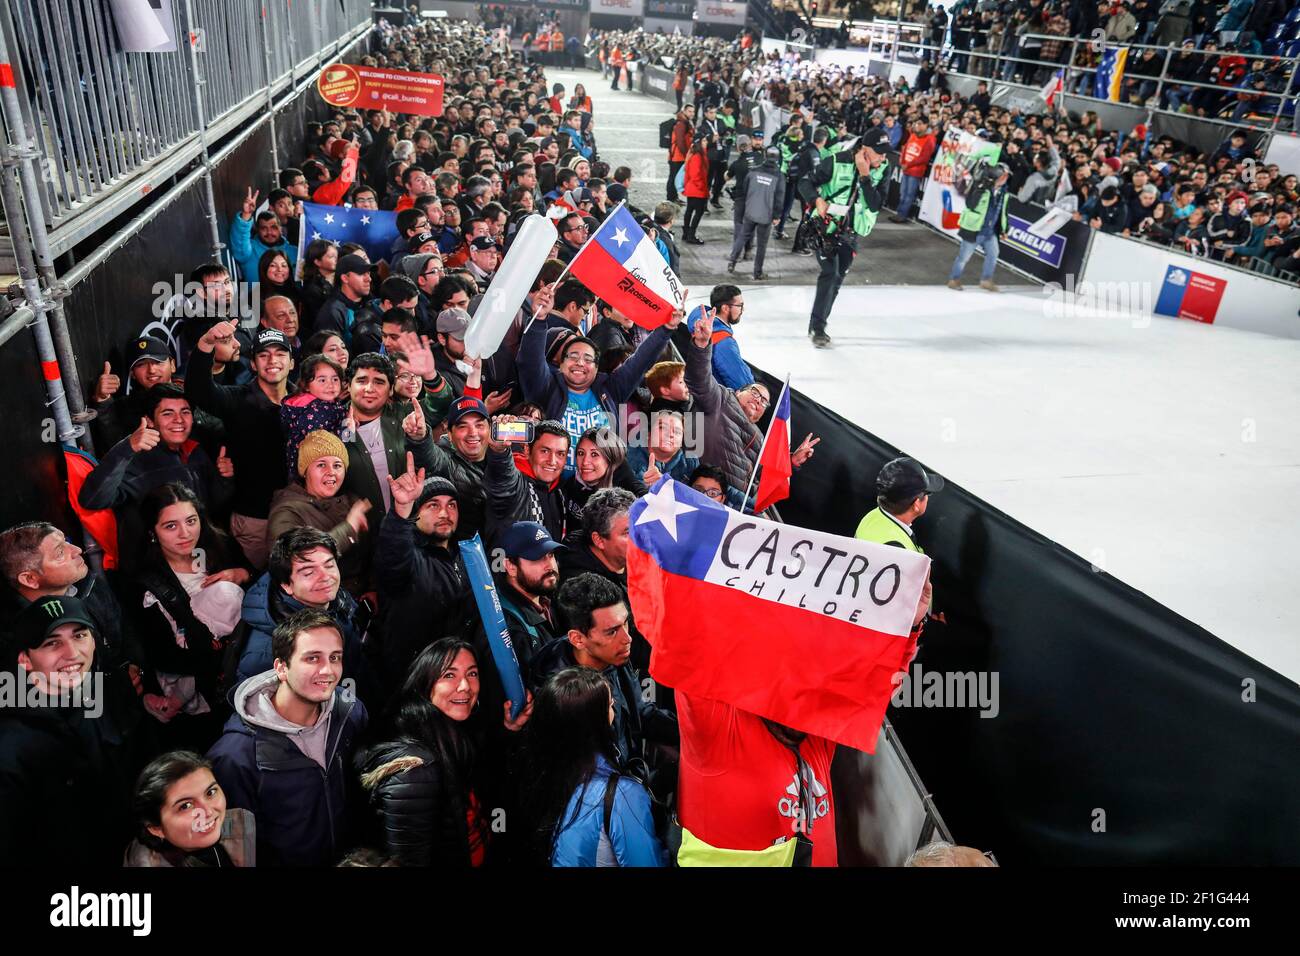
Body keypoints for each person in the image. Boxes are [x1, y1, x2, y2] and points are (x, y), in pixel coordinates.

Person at [208, 608, 368, 867]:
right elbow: (236, 851)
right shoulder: (234, 756)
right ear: (281, 668)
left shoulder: (351, 713)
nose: (328, 670)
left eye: (335, 657)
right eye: (313, 658)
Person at [355, 638, 531, 867]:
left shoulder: (455, 731)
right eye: (449, 675)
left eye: (472, 673)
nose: (465, 686)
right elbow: (407, 862)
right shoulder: (414, 770)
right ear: (425, 683)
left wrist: (510, 730)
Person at [0, 596, 141, 865]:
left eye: (80, 635)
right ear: (25, 660)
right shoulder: (10, 744)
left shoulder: (109, 693)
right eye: (52, 643)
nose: (73, 653)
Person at [127, 482, 250, 749]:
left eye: (191, 521)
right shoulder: (145, 582)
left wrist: (242, 574)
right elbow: (161, 654)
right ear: (152, 532)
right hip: (201, 699)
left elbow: (259, 594)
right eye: (170, 526)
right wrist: (211, 647)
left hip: (245, 676)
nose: (185, 533)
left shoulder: (220, 546)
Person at [530, 574, 678, 780]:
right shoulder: (561, 696)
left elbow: (641, 714)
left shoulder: (613, 654)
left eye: (626, 623)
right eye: (612, 632)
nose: (627, 638)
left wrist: (693, 732)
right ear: (578, 639)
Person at [516, 667, 668, 867]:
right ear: (595, 724)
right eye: (610, 705)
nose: (614, 708)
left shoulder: (537, 776)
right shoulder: (622, 795)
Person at [185, 322, 295, 569]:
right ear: (253, 364)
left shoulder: (305, 401)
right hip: (255, 520)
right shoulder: (236, 399)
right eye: (263, 355)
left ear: (292, 362)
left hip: (298, 516)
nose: (272, 360)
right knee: (257, 583)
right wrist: (206, 344)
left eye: (280, 354)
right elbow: (199, 391)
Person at [373, 456, 475, 693]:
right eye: (433, 505)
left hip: (460, 681)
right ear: (415, 512)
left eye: (451, 505)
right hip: (414, 684)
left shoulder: (468, 555)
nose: (444, 512)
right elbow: (393, 555)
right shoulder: (408, 556)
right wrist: (401, 513)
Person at [799, 130, 893, 347]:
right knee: (830, 273)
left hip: (851, 234)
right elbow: (804, 182)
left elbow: (875, 204)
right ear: (864, 149)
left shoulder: (883, 169)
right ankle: (818, 327)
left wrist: (864, 175)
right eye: (878, 152)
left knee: (838, 279)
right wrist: (817, 200)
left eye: (885, 153)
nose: (882, 157)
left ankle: (818, 322)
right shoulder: (835, 161)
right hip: (826, 229)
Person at [266, 430, 373, 596]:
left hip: (358, 600)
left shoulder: (352, 501)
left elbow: (370, 555)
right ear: (305, 471)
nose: (331, 472)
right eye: (321, 464)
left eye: (337, 465)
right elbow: (289, 559)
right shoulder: (287, 509)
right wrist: (348, 529)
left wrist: (371, 589)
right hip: (320, 605)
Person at [124, 750, 257, 867]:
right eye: (185, 806)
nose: (208, 812)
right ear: (156, 828)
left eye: (210, 792)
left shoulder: (237, 824)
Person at [948, 161, 1011, 293]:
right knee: (963, 257)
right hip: (974, 230)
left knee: (993, 254)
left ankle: (986, 280)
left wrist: (1004, 229)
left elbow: (1003, 212)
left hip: (990, 232)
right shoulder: (980, 187)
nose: (1006, 179)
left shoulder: (1004, 193)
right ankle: (954, 279)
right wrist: (980, 188)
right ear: (997, 175)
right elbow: (970, 204)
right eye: (1004, 176)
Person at [727, 148, 784, 281]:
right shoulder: (779, 176)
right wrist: (776, 216)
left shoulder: (754, 171)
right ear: (777, 158)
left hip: (750, 211)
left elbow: (745, 189)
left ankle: (732, 262)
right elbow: (779, 198)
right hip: (766, 215)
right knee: (762, 245)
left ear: (765, 156)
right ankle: (757, 272)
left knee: (742, 236)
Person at [688, 285, 752, 389]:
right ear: (725, 308)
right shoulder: (724, 342)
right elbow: (742, 385)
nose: (743, 309)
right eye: (740, 305)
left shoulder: (697, 322)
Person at [681, 136, 711, 245]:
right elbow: (695, 175)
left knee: (690, 210)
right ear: (699, 143)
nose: (706, 142)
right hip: (697, 190)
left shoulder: (695, 154)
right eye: (704, 140)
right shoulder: (697, 157)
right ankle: (691, 235)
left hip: (693, 188)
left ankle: (686, 233)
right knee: (698, 212)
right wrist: (703, 188)